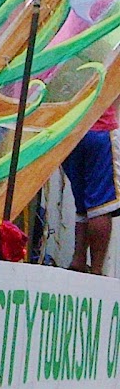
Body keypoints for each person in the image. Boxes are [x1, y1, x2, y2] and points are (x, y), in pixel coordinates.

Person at [61, 107, 119, 275]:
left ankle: (78, 259)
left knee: (82, 202)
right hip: (100, 128)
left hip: (68, 132)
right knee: (101, 205)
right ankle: (96, 270)